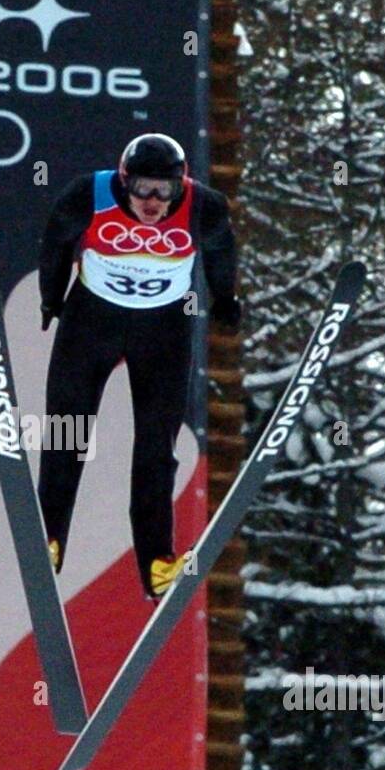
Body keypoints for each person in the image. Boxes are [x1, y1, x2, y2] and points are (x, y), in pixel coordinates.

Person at [38, 132, 240, 600]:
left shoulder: (203, 207)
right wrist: (51, 297)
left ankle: (155, 563)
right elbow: (55, 242)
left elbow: (220, 253)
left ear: (181, 184)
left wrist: (225, 297)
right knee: (68, 430)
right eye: (142, 190)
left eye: (164, 191)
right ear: (124, 182)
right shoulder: (88, 194)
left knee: (156, 447)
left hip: (163, 332)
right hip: (91, 322)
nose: (152, 202)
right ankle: (49, 538)